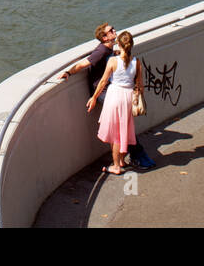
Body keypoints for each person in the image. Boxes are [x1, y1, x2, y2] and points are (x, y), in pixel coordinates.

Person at [61, 23, 156, 169]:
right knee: (122, 126)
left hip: (112, 91)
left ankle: (121, 161)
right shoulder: (101, 51)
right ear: (105, 37)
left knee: (122, 126)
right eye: (111, 30)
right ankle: (137, 156)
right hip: (104, 93)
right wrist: (68, 72)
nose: (114, 30)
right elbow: (83, 64)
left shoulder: (112, 52)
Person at [87, 31, 143, 175]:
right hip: (128, 96)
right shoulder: (137, 62)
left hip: (114, 95)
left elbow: (103, 82)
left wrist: (94, 97)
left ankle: (116, 166)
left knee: (115, 133)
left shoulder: (113, 61)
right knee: (124, 130)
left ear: (119, 44)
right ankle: (122, 160)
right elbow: (140, 86)